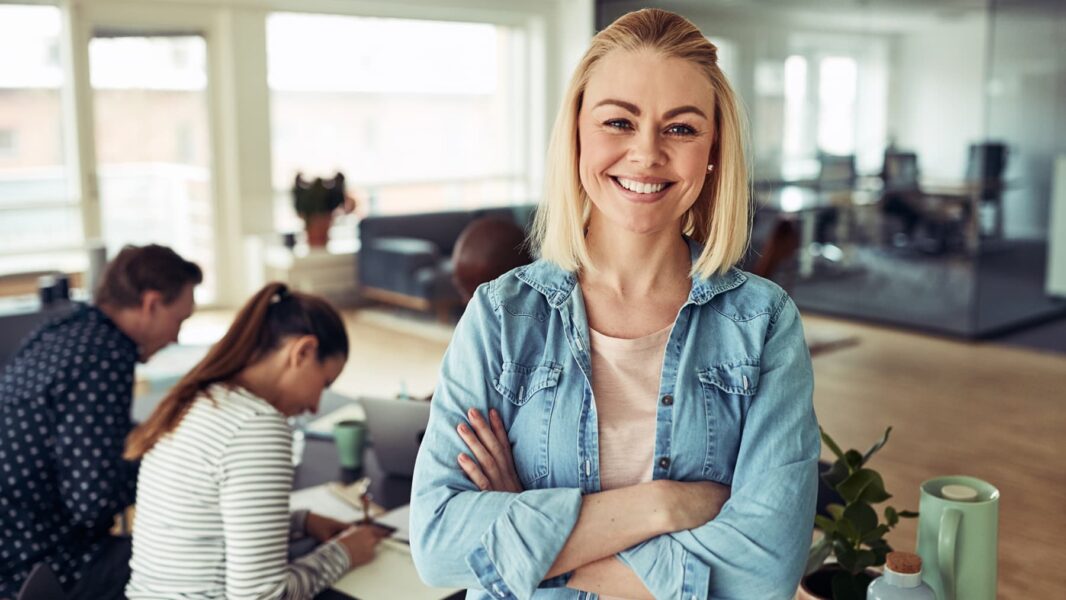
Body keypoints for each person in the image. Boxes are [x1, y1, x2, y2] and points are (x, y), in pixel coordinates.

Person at [410, 8, 819, 600]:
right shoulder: (501, 316)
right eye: (619, 122)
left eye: (680, 128)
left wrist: (528, 537)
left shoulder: (763, 322)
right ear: (577, 131)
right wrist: (663, 506)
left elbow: (764, 570)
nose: (647, 153)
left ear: (712, 151)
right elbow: (439, 543)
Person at [123, 282, 388, 599]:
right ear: (302, 352)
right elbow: (260, 596)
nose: (316, 406)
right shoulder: (256, 426)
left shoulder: (199, 399)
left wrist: (301, 521)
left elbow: (207, 529)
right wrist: (344, 553)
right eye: (325, 382)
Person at [0, 244, 202, 599]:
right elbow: (92, 502)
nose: (176, 338)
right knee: (195, 558)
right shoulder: (106, 355)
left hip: (13, 545)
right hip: (41, 566)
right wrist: (167, 462)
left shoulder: (67, 328)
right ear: (151, 303)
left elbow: (79, 439)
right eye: (178, 321)